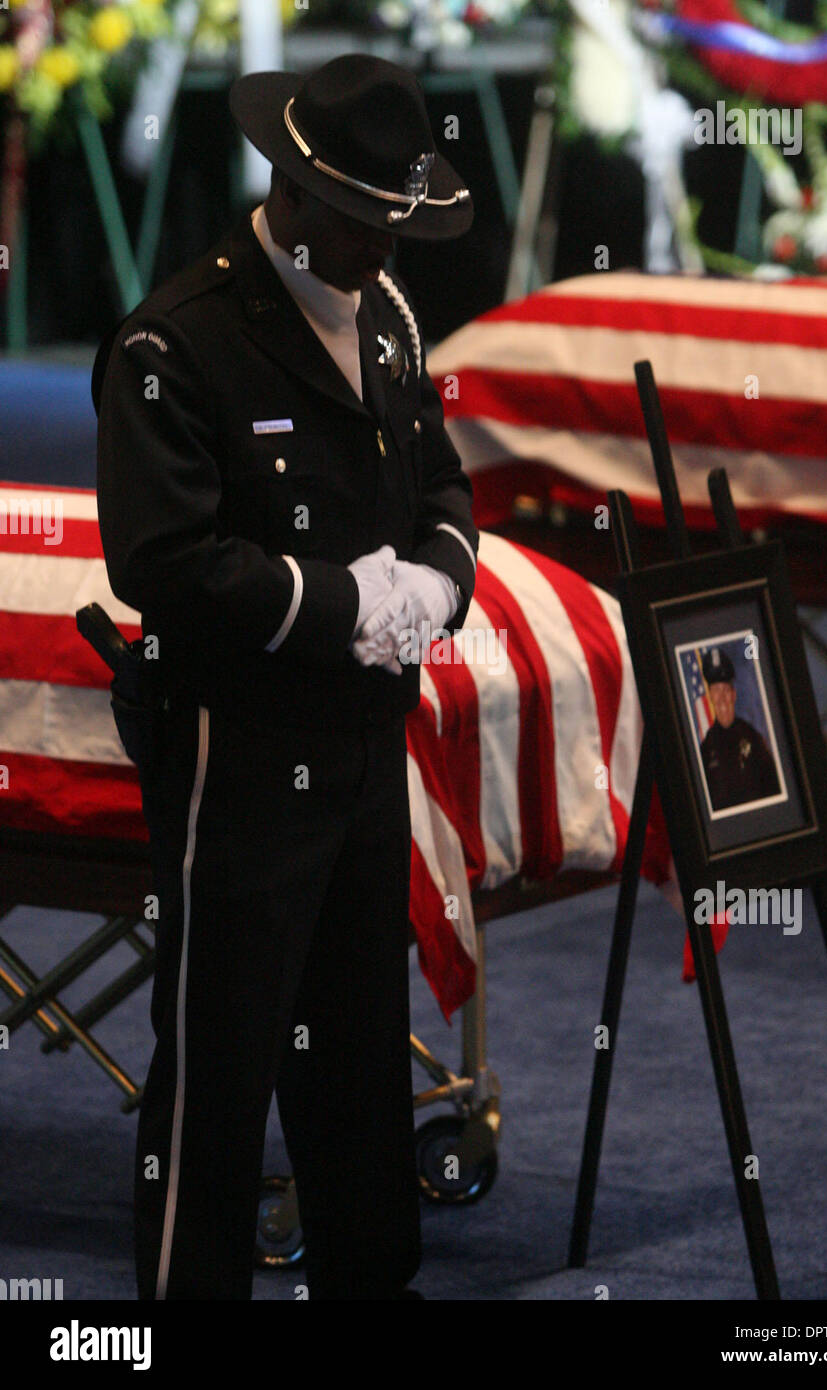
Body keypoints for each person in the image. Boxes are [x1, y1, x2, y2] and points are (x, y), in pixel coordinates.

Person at [91, 54, 479, 1301]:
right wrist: (347, 606)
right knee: (222, 1064)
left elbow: (444, 493)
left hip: (367, 743)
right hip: (238, 747)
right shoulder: (177, 341)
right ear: (294, 193)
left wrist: (435, 585)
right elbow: (164, 560)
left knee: (359, 1054)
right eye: (365, 223)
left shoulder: (393, 320)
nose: (383, 248)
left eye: (397, 223)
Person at [699, 648, 781, 812]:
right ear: (710, 696)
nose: (721, 697)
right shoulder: (706, 748)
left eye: (725, 690)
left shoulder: (752, 737)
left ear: (734, 694)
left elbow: (774, 790)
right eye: (715, 690)